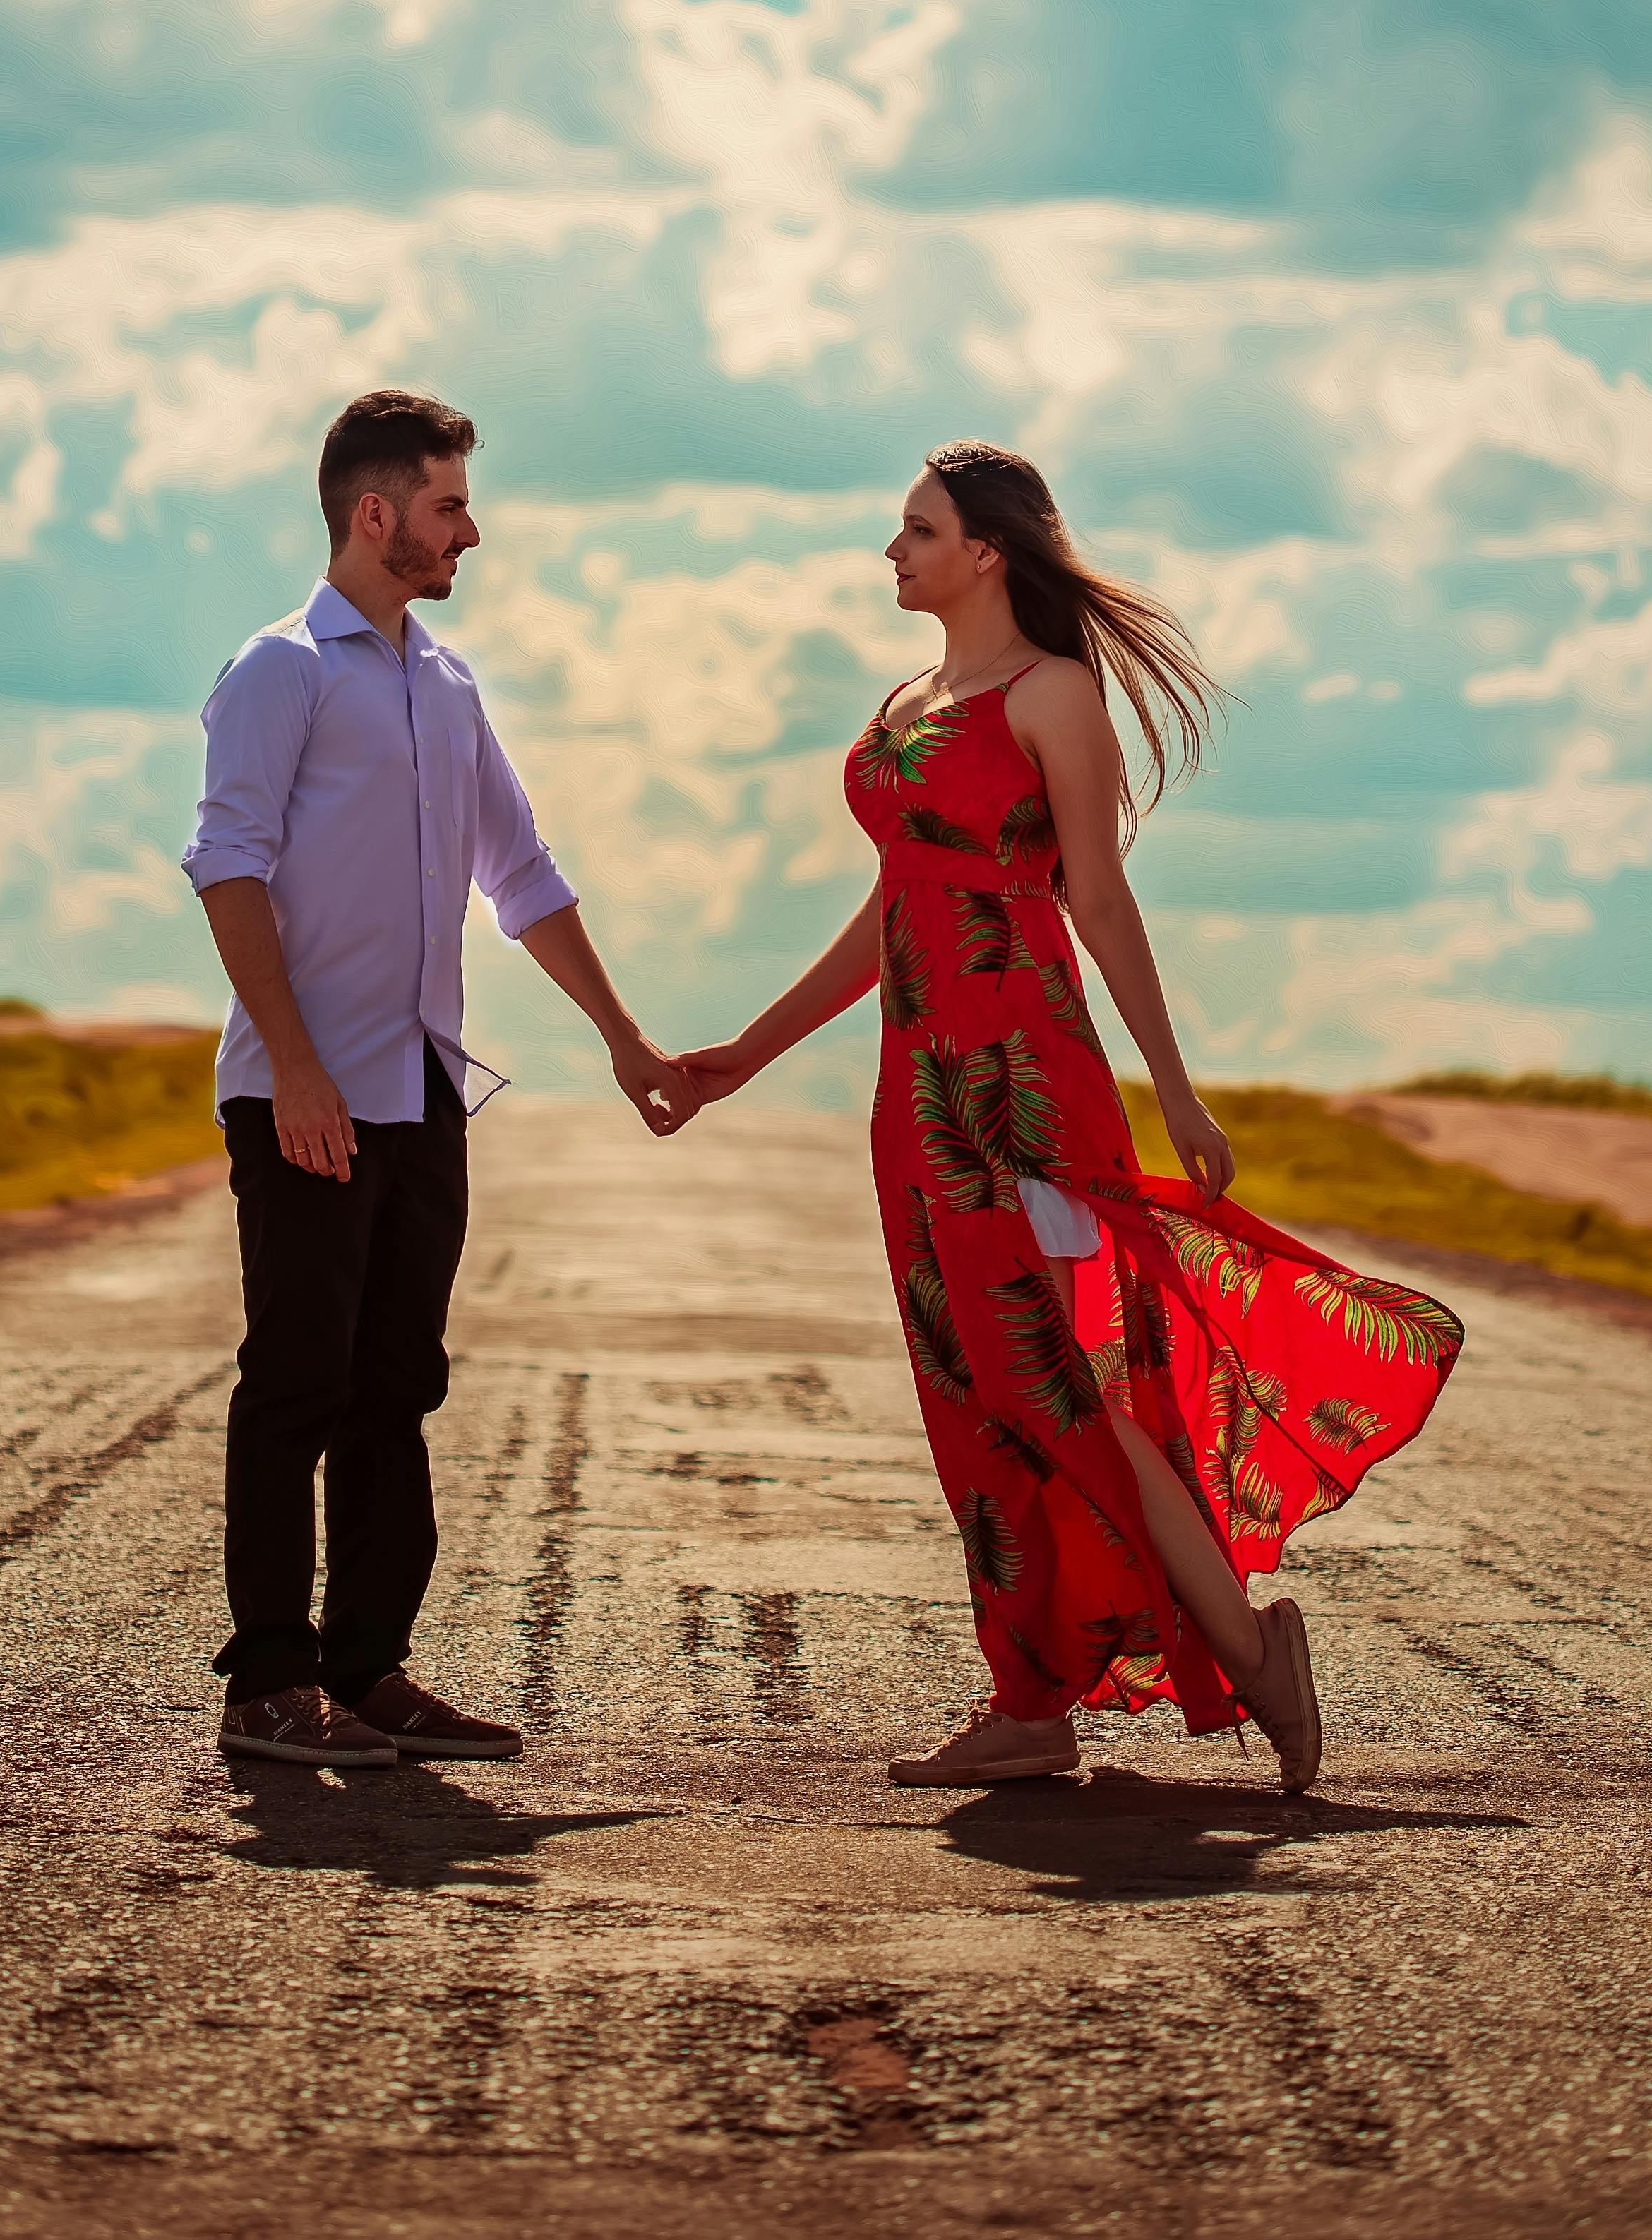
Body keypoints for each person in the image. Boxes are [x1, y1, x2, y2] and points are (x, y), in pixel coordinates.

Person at [674, 441, 1461, 1792]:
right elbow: (893, 912)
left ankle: (1256, 1654)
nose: (893, 550)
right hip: (917, 1097)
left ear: (986, 552)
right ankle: (1030, 1704)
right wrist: (748, 1051)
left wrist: (1176, 1085)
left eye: (917, 531)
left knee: (1066, 1386)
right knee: (969, 1391)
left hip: (1024, 1092)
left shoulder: (1056, 700)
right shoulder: (912, 696)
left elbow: (1096, 902)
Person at [183, 386, 695, 1770]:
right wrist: (292, 1067)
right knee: (295, 1380)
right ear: (375, 514)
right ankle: (268, 1685)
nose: (471, 531)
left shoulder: (450, 687)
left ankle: (370, 1671)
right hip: (304, 1091)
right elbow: (226, 864)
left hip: (419, 1088)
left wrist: (623, 1037)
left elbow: (519, 877)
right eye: (450, 505)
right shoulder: (280, 671)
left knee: (396, 1381)